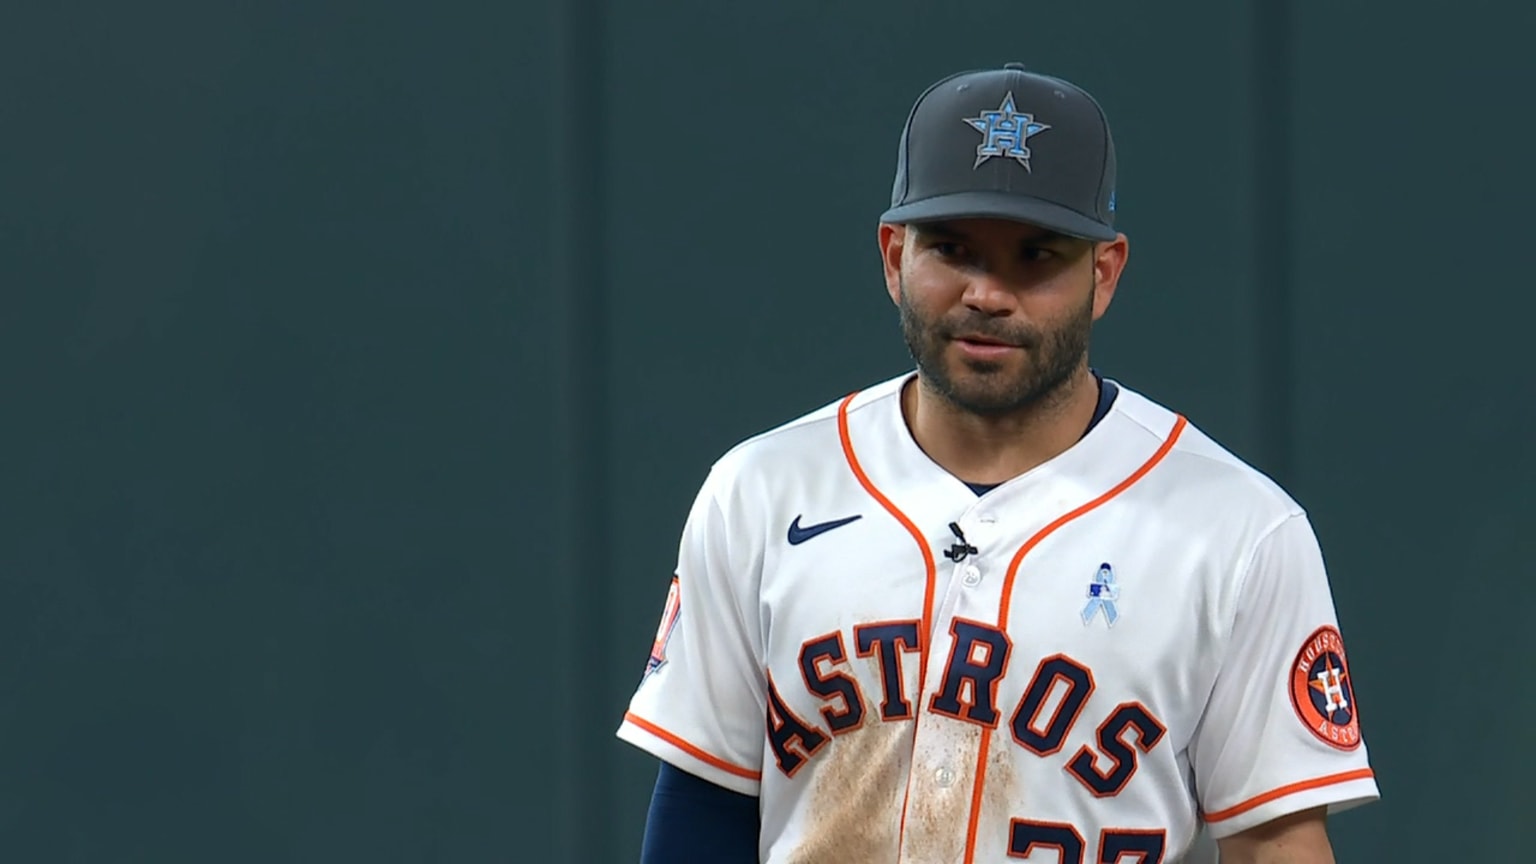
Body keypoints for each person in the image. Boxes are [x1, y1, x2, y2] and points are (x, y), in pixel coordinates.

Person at [615, 62, 1379, 864]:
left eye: (1035, 255)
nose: (987, 291)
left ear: (1104, 274)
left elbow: (1277, 841)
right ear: (892, 256)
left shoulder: (1238, 531)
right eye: (952, 248)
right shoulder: (762, 493)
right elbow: (704, 806)